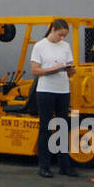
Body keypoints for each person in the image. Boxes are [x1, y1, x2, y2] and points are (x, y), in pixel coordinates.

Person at [30, 19, 77, 178]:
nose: (61, 38)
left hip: (63, 90)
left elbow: (69, 68)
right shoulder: (40, 46)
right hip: (46, 90)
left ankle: (65, 165)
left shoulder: (65, 46)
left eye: (64, 35)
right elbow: (35, 71)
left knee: (63, 126)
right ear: (53, 29)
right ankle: (44, 166)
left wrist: (70, 71)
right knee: (46, 127)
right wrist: (54, 69)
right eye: (60, 34)